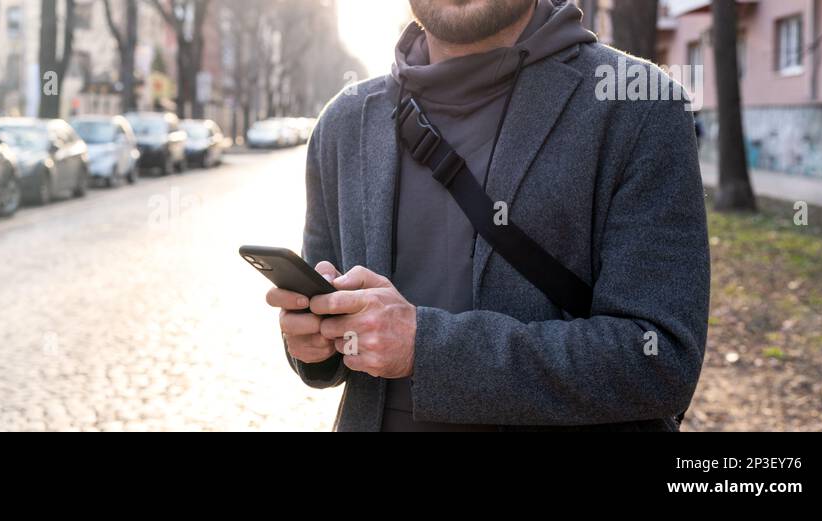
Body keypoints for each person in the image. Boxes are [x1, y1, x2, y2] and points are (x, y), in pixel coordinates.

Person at [265, 0, 710, 431]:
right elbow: (325, 341)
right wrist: (312, 344)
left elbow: (660, 361)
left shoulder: (641, 107)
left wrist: (427, 348)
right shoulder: (343, 121)